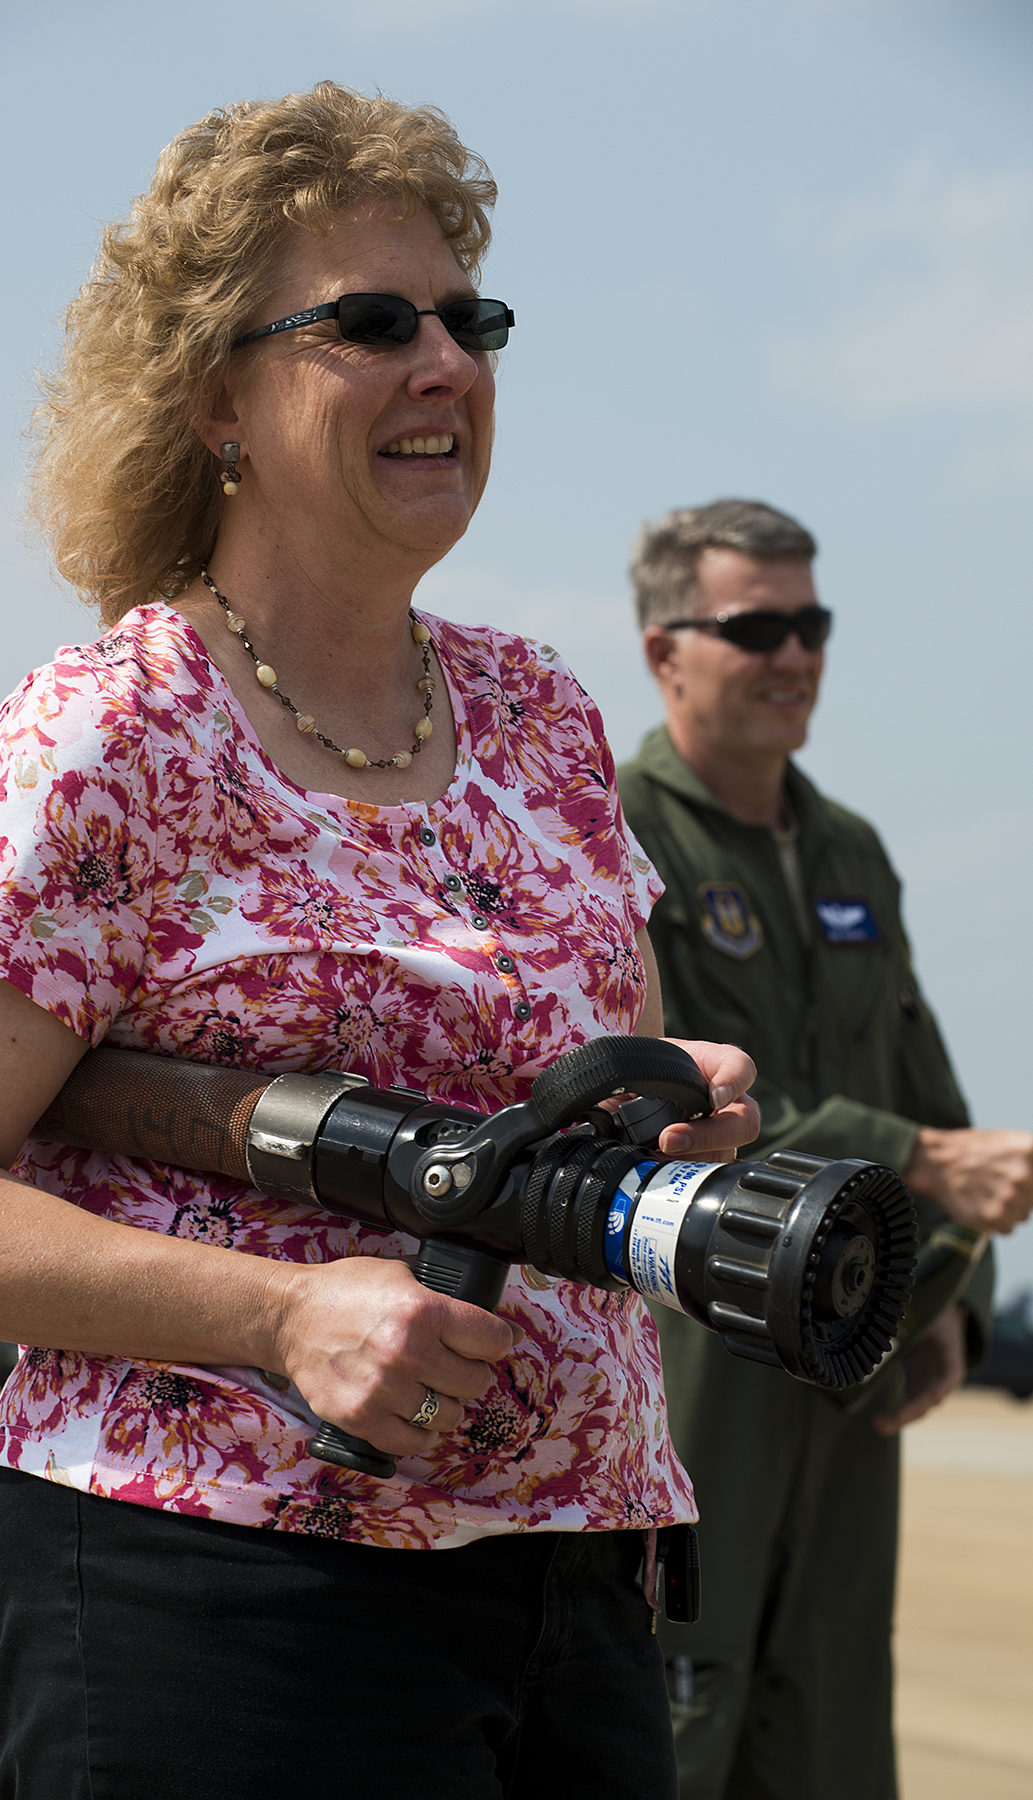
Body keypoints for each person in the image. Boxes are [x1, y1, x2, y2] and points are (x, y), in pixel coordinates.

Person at [0, 89, 760, 1800]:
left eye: (470, 321)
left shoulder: (541, 714)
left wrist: (670, 1114)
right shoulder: (108, 736)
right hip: (218, 1588)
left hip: (578, 1576)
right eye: (372, 324)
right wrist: (277, 1317)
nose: (448, 364)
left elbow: (599, 1077)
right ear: (215, 402)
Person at [616, 498, 1033, 1800]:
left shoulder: (853, 849)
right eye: (758, 627)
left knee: (832, 1714)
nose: (796, 655)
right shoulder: (614, 830)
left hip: (857, 1353)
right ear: (664, 650)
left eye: (813, 623)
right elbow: (656, 1088)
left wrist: (945, 1293)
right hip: (696, 1346)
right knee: (674, 1704)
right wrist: (912, 1156)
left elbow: (928, 1079)